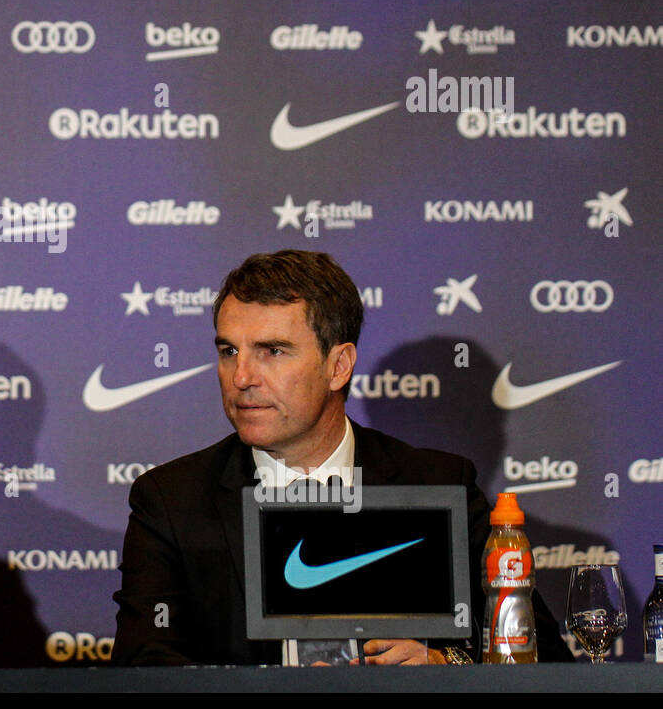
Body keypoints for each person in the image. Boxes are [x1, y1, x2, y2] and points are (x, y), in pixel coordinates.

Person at [112, 250, 571, 666]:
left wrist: (443, 666)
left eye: (272, 351)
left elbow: (542, 659)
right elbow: (142, 665)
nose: (242, 376)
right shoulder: (172, 500)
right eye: (229, 351)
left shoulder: (435, 484)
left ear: (339, 366)